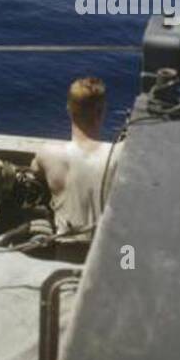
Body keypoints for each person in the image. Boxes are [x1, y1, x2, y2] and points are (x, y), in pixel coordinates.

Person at [31, 77, 117, 241]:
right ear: (101, 111)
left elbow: (34, 171)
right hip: (106, 259)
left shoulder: (48, 155)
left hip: (65, 256)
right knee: (130, 258)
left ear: (69, 109)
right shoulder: (119, 154)